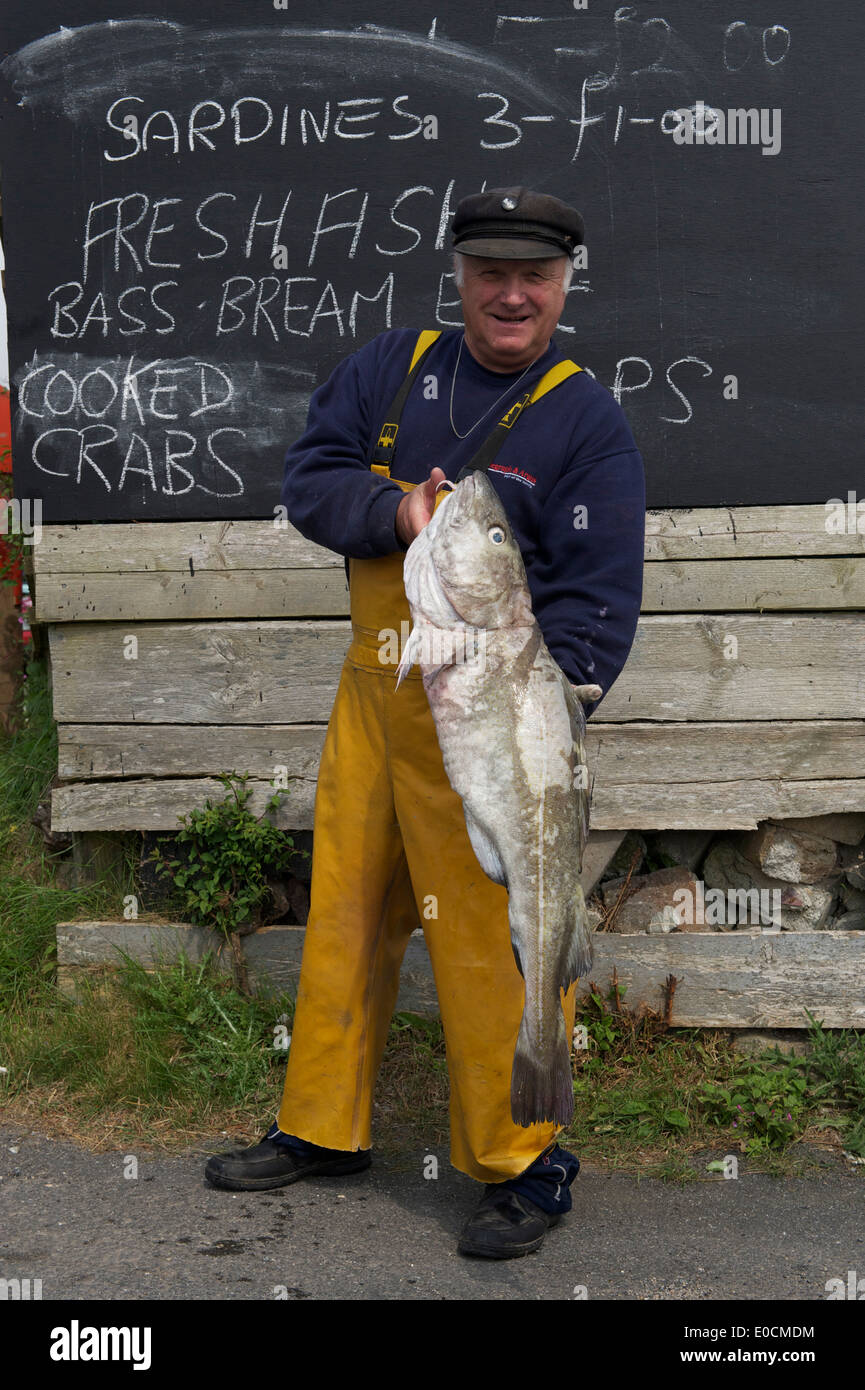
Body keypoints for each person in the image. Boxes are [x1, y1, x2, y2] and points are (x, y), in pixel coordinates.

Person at [206, 187, 646, 1259]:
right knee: (344, 919)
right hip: (373, 696)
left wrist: (552, 716)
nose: (510, 294)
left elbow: (597, 593)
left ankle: (524, 1164)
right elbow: (309, 482)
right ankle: (322, 1126)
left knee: (486, 945)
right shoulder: (389, 369)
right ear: (458, 275)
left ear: (561, 285)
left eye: (532, 277)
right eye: (490, 271)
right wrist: (397, 509)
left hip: (489, 711)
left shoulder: (585, 418)